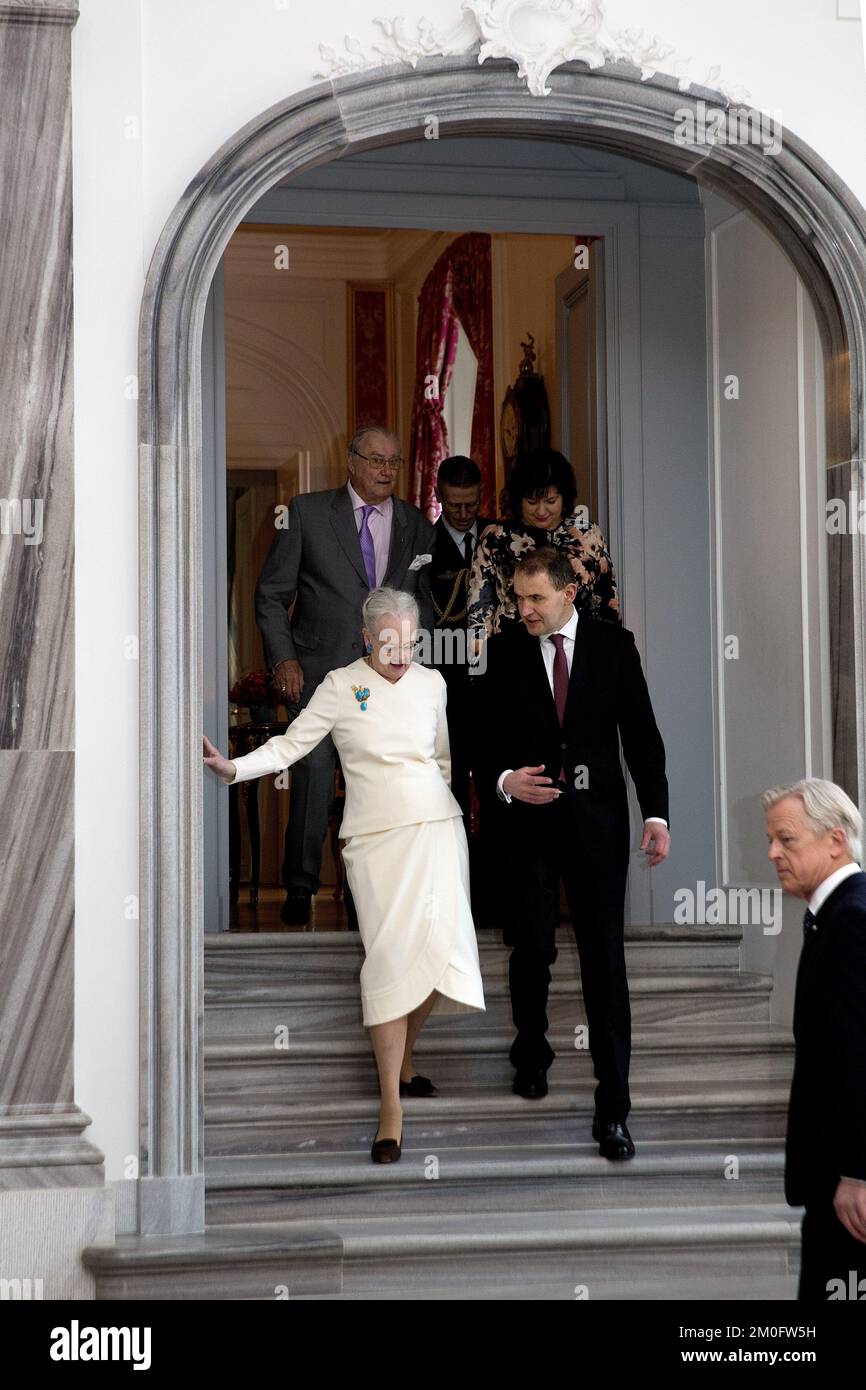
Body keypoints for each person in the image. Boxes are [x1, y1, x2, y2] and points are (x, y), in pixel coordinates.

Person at [204, 587, 485, 1164]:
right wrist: (234, 768)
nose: (401, 654)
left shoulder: (434, 685)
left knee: (443, 950)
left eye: (410, 643)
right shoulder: (338, 685)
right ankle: (390, 1109)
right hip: (374, 839)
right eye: (389, 643)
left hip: (436, 828)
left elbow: (443, 759)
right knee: (387, 958)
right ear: (366, 639)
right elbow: (290, 745)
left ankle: (405, 1061)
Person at [474, 547, 670, 1160]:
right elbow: (480, 737)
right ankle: (531, 1050)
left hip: (597, 826)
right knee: (531, 946)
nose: (523, 609)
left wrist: (656, 812)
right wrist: (505, 781)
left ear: (569, 593)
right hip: (528, 828)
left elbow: (641, 734)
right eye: (518, 597)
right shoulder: (504, 649)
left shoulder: (615, 645)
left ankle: (614, 1108)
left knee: (604, 964)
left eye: (535, 598)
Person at [253, 426, 435, 926]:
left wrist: (420, 664)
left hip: (387, 679)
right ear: (351, 462)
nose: (385, 470)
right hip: (316, 671)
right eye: (376, 460)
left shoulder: (417, 525)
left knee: (375, 780)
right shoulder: (307, 513)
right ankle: (300, 885)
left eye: (394, 462)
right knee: (312, 776)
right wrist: (283, 659)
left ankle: (365, 886)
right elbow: (271, 594)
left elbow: (426, 604)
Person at [762, 778, 866, 1300]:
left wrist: (858, 1172)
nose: (772, 852)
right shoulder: (834, 914)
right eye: (771, 839)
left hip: (847, 1187)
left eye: (786, 839)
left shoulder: (852, 918)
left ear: (835, 840)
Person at [467, 448, 619, 642]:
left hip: (581, 651)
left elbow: (608, 601)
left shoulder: (588, 535)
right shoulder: (496, 538)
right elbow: (479, 612)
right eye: (532, 502)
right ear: (518, 499)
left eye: (550, 501)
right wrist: (481, 666)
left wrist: (611, 655)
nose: (541, 511)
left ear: (564, 498)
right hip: (513, 651)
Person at [429, 455, 495, 820]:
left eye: (472, 503)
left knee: (497, 783)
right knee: (448, 784)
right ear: (439, 495)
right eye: (454, 504)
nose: (464, 512)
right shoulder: (423, 544)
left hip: (495, 683)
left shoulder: (499, 536)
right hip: (447, 680)